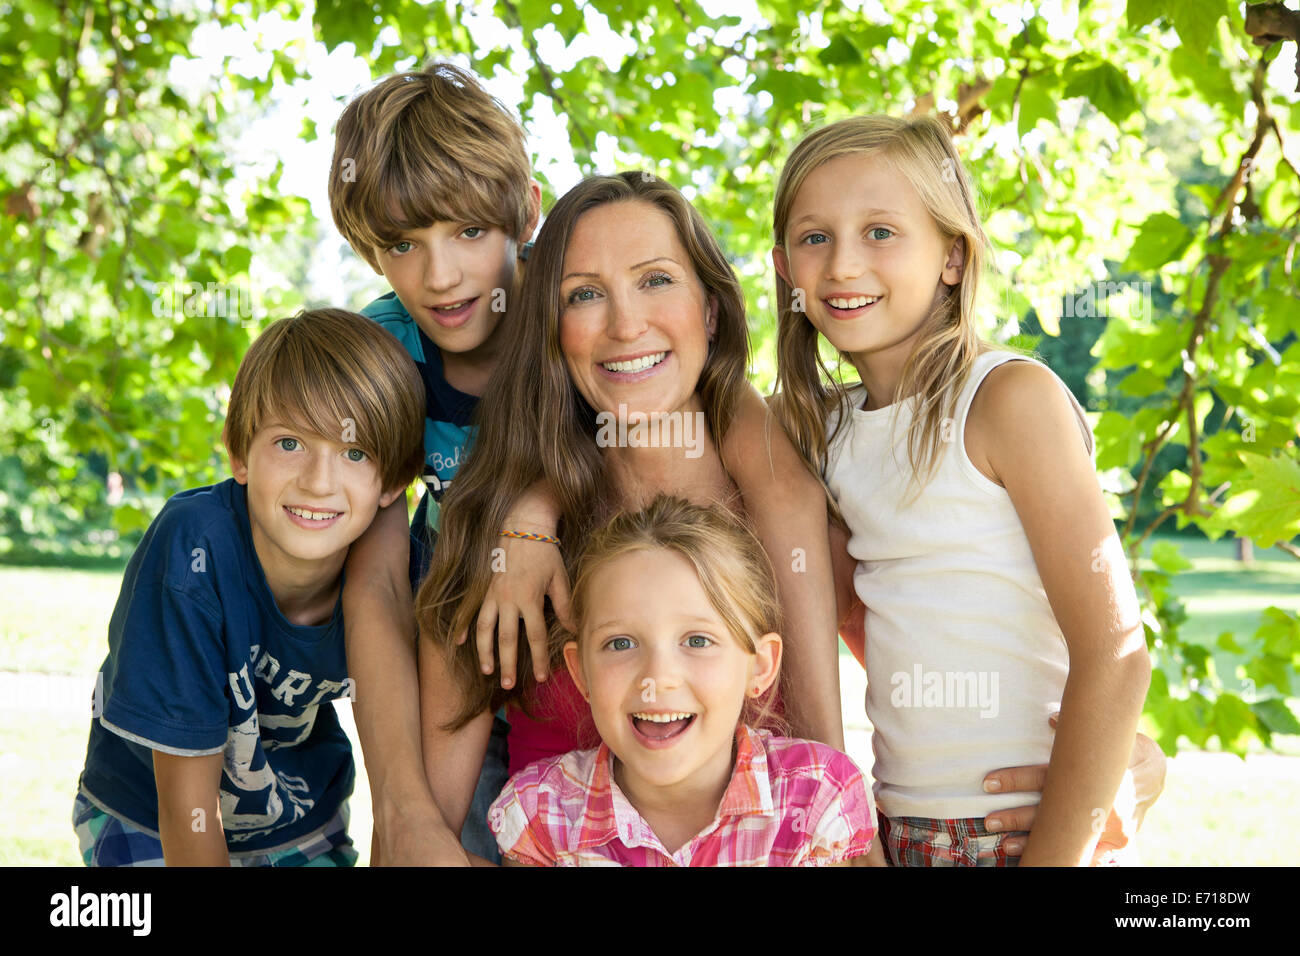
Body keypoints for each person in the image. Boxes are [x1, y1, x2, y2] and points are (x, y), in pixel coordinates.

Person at [418, 170, 858, 863]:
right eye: (584, 295)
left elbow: (851, 765)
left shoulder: (793, 503)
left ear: (710, 310)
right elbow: (426, 835)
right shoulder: (506, 536)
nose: (626, 326)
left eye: (656, 280)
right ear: (551, 331)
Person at [769, 113, 1153, 866]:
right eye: (815, 238)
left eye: (881, 231)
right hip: (898, 833)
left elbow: (1117, 652)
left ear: (952, 254)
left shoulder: (1008, 400)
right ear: (785, 269)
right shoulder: (820, 430)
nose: (843, 264)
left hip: (1032, 832)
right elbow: (865, 615)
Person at [73, 309, 425, 866]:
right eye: (290, 443)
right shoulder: (195, 549)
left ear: (394, 483)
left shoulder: (391, 572)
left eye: (354, 453)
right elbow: (189, 818)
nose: (318, 481)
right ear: (239, 455)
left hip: (296, 815)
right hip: (148, 815)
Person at [326, 61, 546, 863]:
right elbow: (378, 583)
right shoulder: (385, 351)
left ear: (524, 214)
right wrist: (404, 809)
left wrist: (536, 515)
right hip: (447, 645)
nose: (440, 275)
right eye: (401, 243)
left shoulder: (574, 313)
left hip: (587, 664)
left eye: (469, 232)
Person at [490, 496, 875, 866]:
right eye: (621, 643)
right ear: (581, 673)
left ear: (759, 667)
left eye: (697, 640)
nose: (657, 678)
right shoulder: (541, 816)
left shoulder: (815, 803)